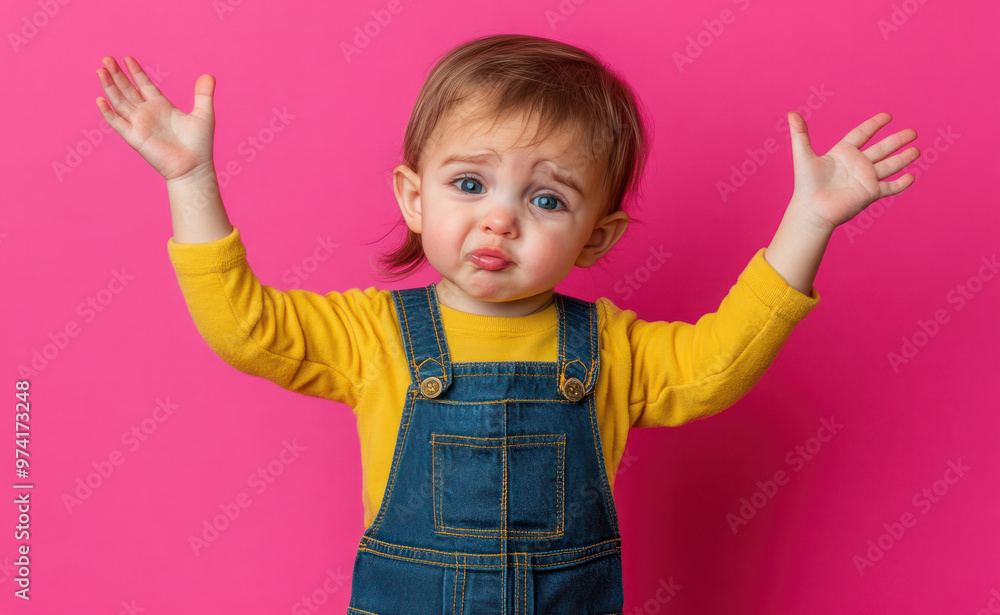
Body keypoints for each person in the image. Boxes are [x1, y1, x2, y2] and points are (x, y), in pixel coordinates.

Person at [94, 33, 919, 612]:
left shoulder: (614, 349)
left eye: (546, 198)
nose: (500, 221)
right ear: (413, 197)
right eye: (469, 184)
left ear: (595, 235)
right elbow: (245, 327)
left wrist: (808, 223)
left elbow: (718, 365)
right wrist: (190, 178)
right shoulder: (373, 334)